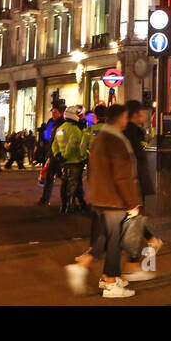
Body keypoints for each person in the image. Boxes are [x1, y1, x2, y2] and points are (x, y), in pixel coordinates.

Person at [68, 105, 143, 298]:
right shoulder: (116, 141)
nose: (127, 121)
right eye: (125, 117)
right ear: (119, 118)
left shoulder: (101, 137)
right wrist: (132, 203)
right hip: (113, 197)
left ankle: (98, 272)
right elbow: (122, 176)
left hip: (100, 196)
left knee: (107, 236)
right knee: (114, 241)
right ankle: (110, 282)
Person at [122, 99, 163, 260]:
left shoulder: (130, 134)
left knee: (132, 221)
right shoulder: (132, 134)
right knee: (132, 220)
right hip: (135, 182)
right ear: (135, 114)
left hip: (134, 183)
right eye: (141, 113)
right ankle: (150, 243)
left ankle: (135, 261)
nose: (144, 116)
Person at [53, 106, 87, 214]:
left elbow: (55, 144)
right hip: (74, 161)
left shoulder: (60, 128)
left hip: (63, 161)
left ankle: (64, 205)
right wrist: (83, 157)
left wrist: (58, 155)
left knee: (65, 183)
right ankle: (69, 206)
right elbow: (72, 146)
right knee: (72, 184)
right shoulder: (75, 130)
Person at [38, 100, 66, 206]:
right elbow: (49, 138)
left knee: (64, 179)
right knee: (49, 177)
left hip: (61, 155)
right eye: (52, 113)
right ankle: (45, 199)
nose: (53, 115)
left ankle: (67, 201)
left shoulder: (63, 124)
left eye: (55, 113)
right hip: (53, 155)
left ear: (61, 113)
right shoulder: (53, 123)